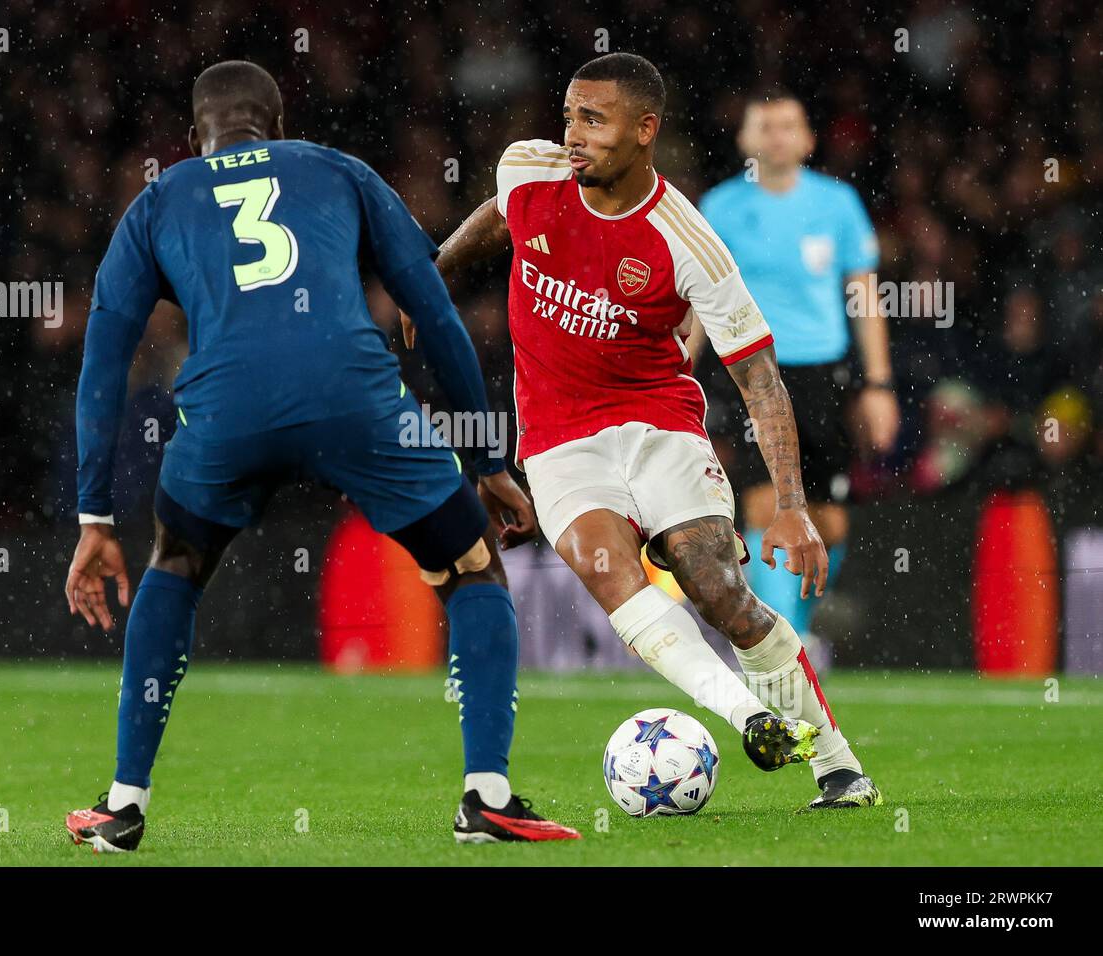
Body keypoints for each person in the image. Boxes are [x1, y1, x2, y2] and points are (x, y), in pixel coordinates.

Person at [63, 60, 579, 851]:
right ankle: (487, 795)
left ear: (197, 134)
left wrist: (94, 515)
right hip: (352, 397)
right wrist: (488, 457)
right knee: (472, 567)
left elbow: (103, 363)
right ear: (275, 123)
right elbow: (432, 309)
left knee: (173, 566)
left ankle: (124, 804)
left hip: (227, 409)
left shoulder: (160, 198)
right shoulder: (336, 169)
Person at [403, 53, 878, 809]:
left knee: (717, 586)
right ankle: (749, 716)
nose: (573, 135)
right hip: (559, 440)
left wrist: (790, 501)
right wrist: (430, 273)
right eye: (569, 116)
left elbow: (758, 376)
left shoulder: (685, 238)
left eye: (593, 120)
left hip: (659, 423)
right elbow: (502, 210)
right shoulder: (533, 171)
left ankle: (839, 765)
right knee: (605, 564)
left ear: (645, 129)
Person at [697, 88, 898, 659]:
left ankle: (794, 630)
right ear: (744, 139)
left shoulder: (838, 205)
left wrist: (879, 385)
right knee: (765, 506)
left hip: (823, 375)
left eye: (788, 125)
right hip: (751, 369)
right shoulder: (720, 208)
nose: (777, 136)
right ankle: (782, 647)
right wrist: (679, 367)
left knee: (829, 521)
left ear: (808, 139)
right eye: (765, 126)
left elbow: (864, 296)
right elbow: (698, 297)